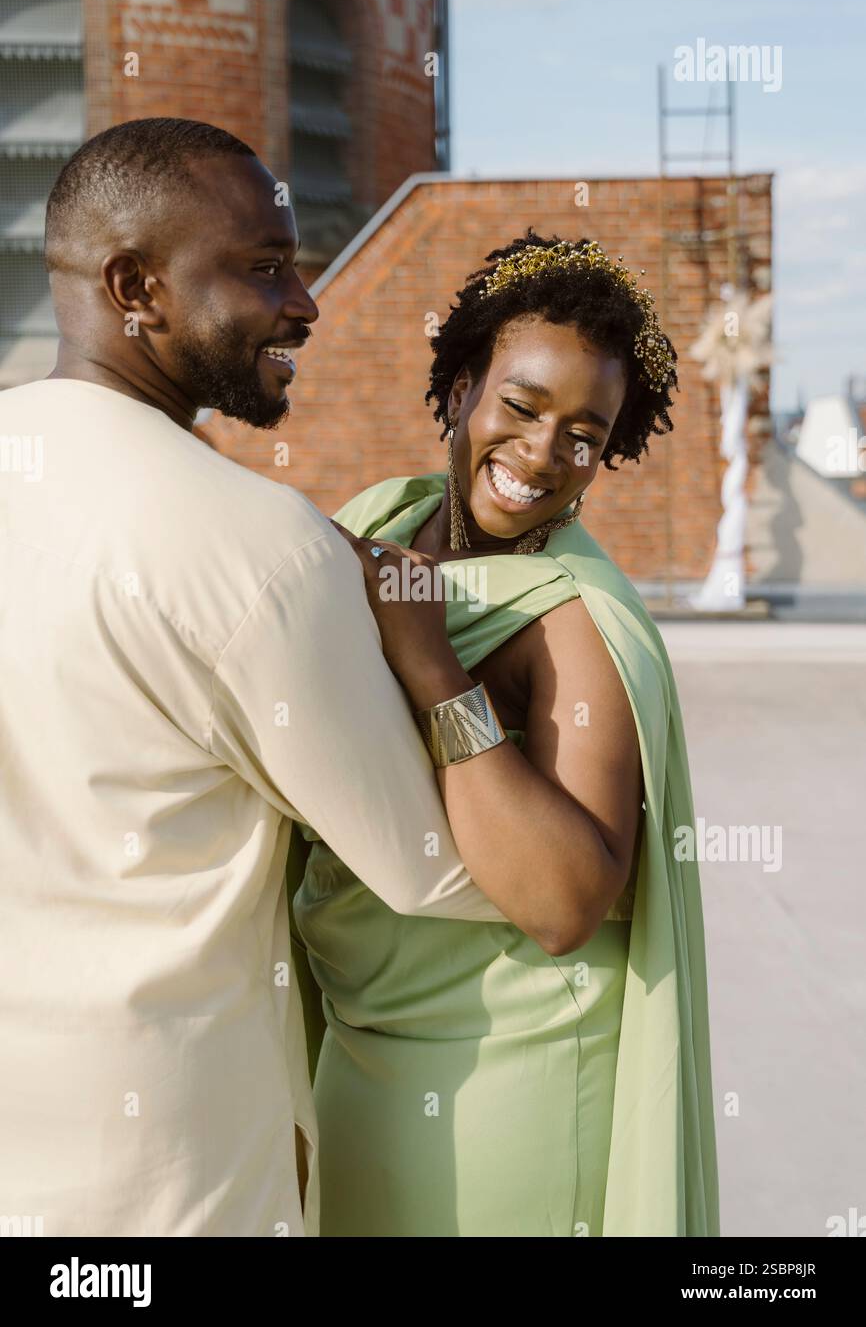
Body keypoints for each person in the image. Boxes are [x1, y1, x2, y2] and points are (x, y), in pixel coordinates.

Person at [0, 117, 550, 1238]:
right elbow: (432, 870)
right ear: (134, 286)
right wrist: (432, 660)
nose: (303, 303)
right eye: (261, 268)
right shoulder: (259, 544)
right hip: (156, 1171)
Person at [292, 233, 720, 1236]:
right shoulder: (377, 520)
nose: (541, 454)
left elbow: (567, 901)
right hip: (354, 1049)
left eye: (584, 434)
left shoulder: (572, 616)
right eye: (520, 408)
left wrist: (432, 663)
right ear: (457, 393)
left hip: (506, 1083)